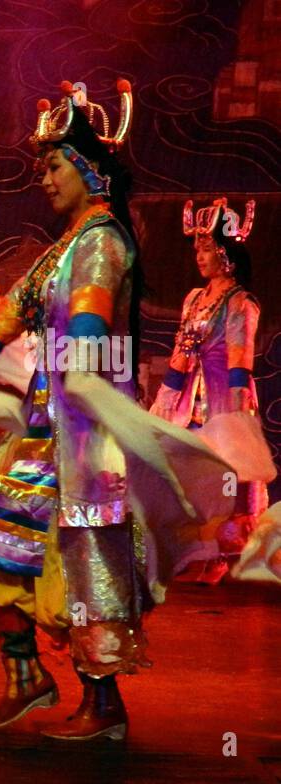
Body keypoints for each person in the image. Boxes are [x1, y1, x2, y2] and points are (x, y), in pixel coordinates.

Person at [0, 80, 146, 740]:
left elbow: (89, 333)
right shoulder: (62, 248)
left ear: (85, 169)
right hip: (45, 425)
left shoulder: (102, 243)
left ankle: (103, 706)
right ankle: (26, 678)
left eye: (52, 166)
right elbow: (5, 318)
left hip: (84, 429)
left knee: (80, 561)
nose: (42, 178)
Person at [149, 197, 265, 583]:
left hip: (222, 395)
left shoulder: (240, 304)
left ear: (225, 254)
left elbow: (239, 360)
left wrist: (234, 415)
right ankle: (193, 548)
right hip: (189, 398)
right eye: (196, 249)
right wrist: (165, 398)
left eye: (206, 249)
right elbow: (180, 353)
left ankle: (221, 553)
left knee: (223, 474)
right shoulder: (194, 300)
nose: (199, 257)